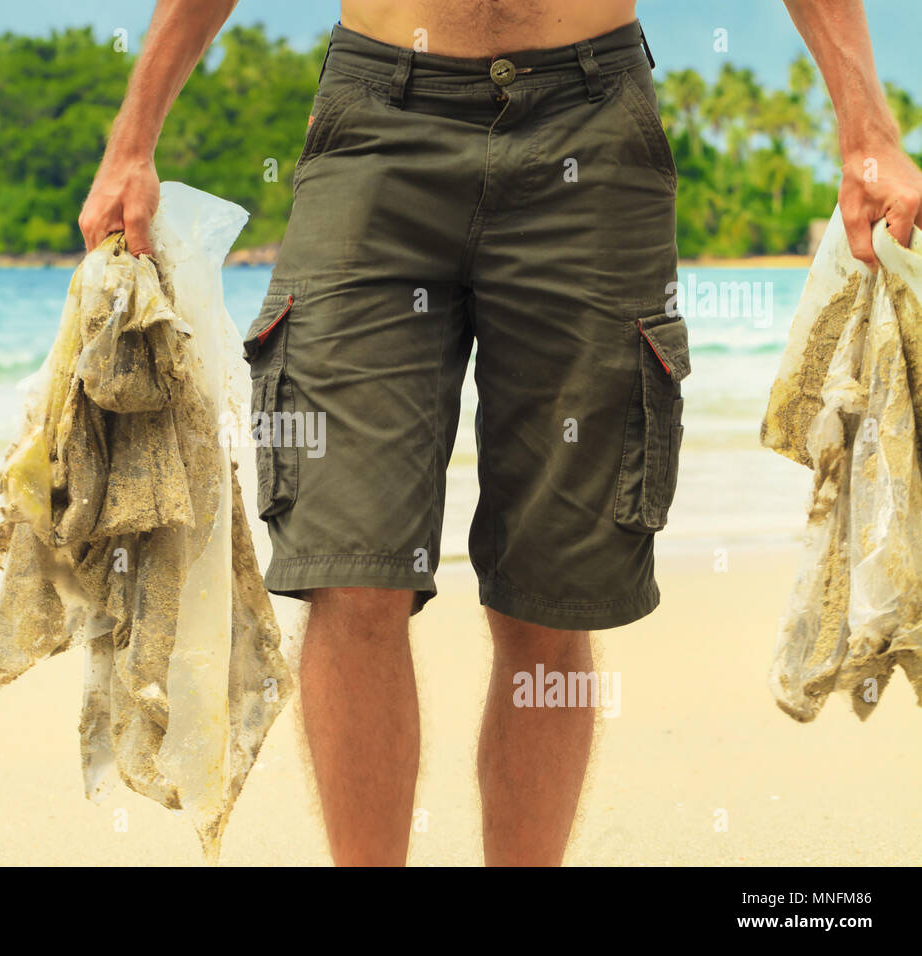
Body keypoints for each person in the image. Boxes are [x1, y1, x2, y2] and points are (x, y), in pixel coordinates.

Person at [78, 1, 922, 866]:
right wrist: (133, 138)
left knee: (549, 595)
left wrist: (867, 130)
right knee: (348, 568)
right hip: (378, 122)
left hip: (590, 127)